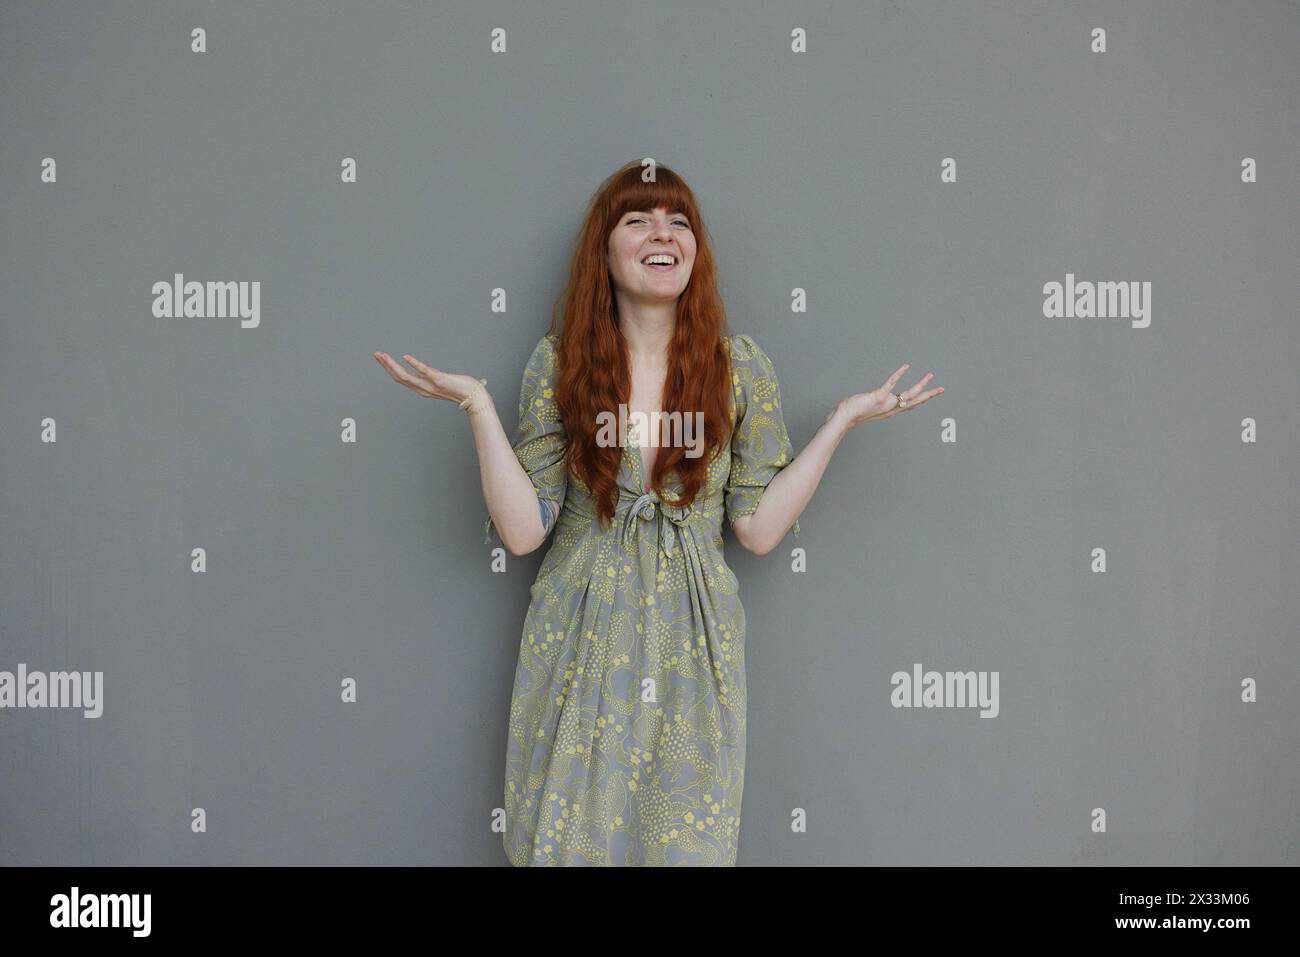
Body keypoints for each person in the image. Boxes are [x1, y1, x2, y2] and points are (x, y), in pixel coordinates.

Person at [374, 161, 943, 865]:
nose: (661, 232)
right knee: (569, 839)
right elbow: (524, 530)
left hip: (693, 639)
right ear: (605, 251)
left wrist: (839, 424)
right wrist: (477, 407)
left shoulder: (739, 370)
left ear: (694, 250)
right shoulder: (559, 367)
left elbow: (759, 530)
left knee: (682, 841)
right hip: (580, 631)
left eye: (678, 221)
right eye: (637, 219)